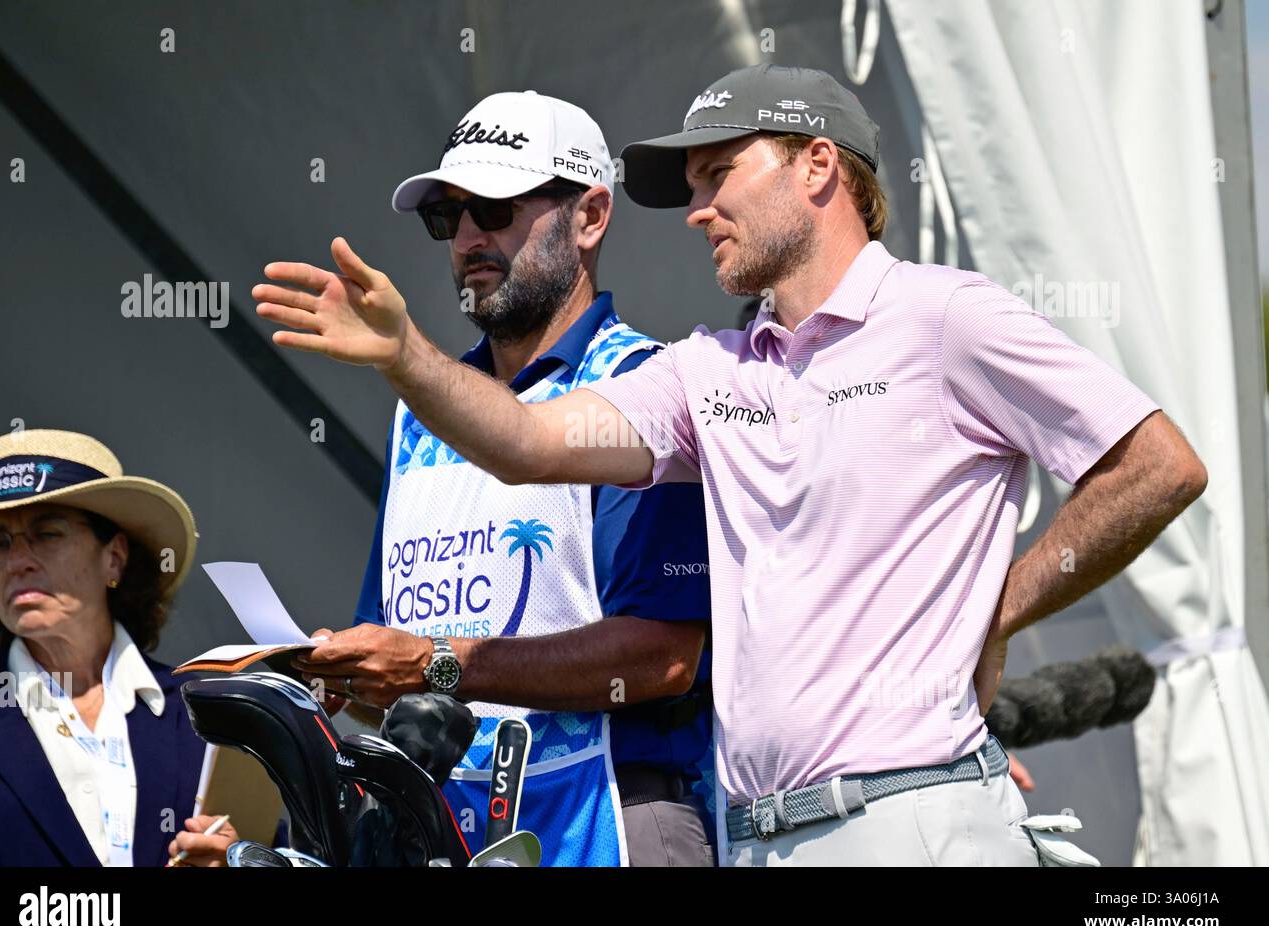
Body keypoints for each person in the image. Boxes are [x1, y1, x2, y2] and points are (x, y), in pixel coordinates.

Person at [250, 65, 1206, 866]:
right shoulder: (710, 367)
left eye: (718, 175)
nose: (697, 210)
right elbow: (528, 443)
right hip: (758, 837)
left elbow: (1157, 467)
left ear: (818, 166)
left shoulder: (945, 316)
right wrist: (407, 356)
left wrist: (997, 610)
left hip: (915, 815)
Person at [268, 92, 715, 866]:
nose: (470, 235)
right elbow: (401, 639)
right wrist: (349, 665)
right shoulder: (420, 415)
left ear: (591, 216)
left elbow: (664, 655)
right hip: (437, 825)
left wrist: (438, 660)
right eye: (449, 215)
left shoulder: (643, 386)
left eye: (497, 207)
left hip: (602, 820)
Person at [0, 429, 240, 866]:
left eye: (47, 534)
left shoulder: (207, 714)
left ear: (113, 557)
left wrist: (239, 856)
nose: (17, 561)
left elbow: (272, 845)